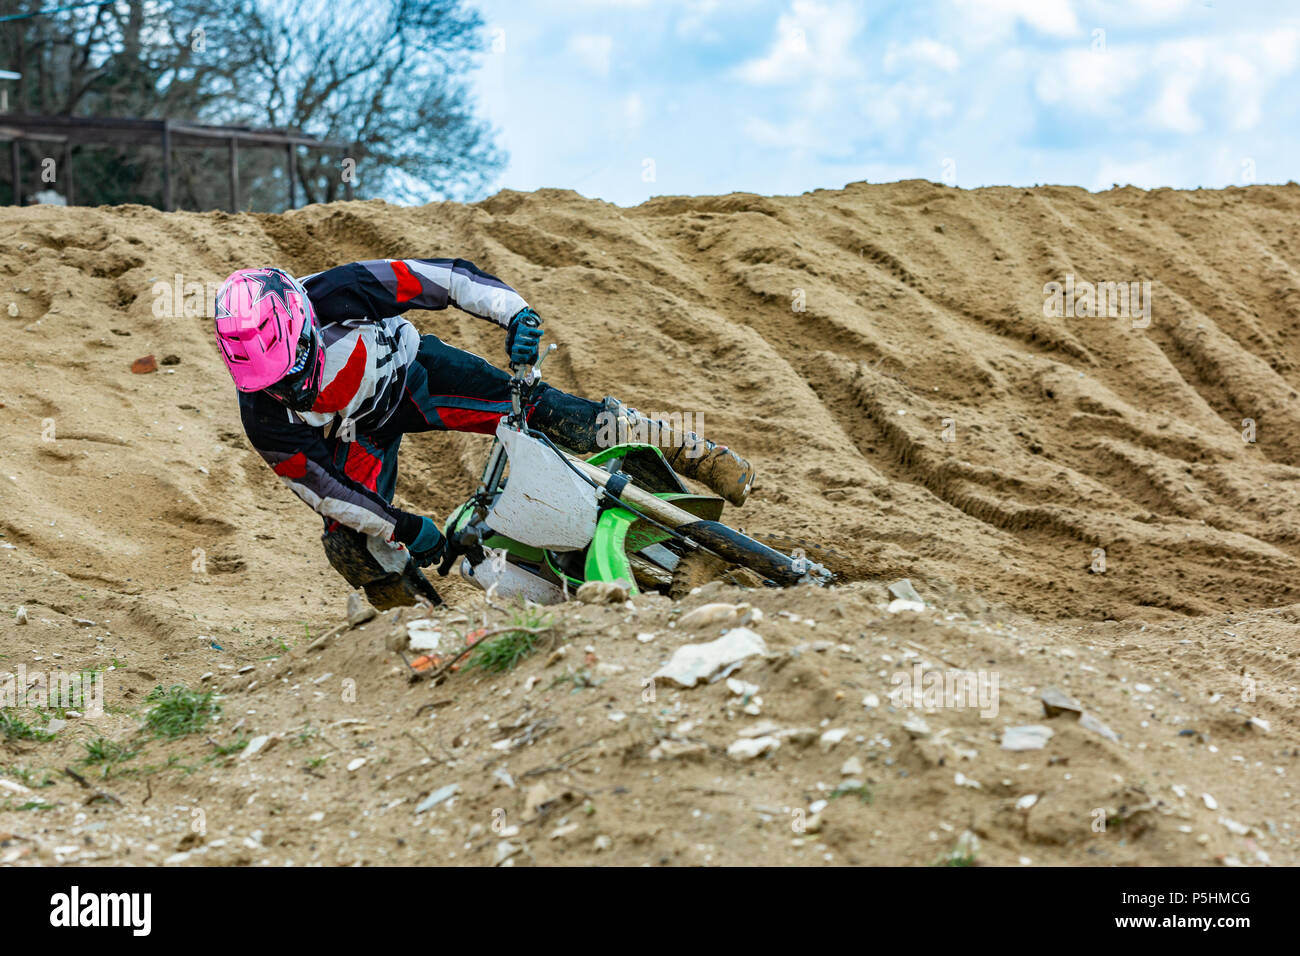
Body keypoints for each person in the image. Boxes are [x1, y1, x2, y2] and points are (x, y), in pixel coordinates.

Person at [213, 259, 754, 607]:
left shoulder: (342, 290)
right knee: (350, 543)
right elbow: (325, 490)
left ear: (304, 322)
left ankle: (695, 451)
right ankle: (422, 630)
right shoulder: (263, 417)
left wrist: (516, 316)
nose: (286, 390)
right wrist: (401, 526)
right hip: (357, 436)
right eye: (270, 383)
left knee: (547, 410)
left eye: (291, 368)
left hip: (411, 376)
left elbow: (445, 279)